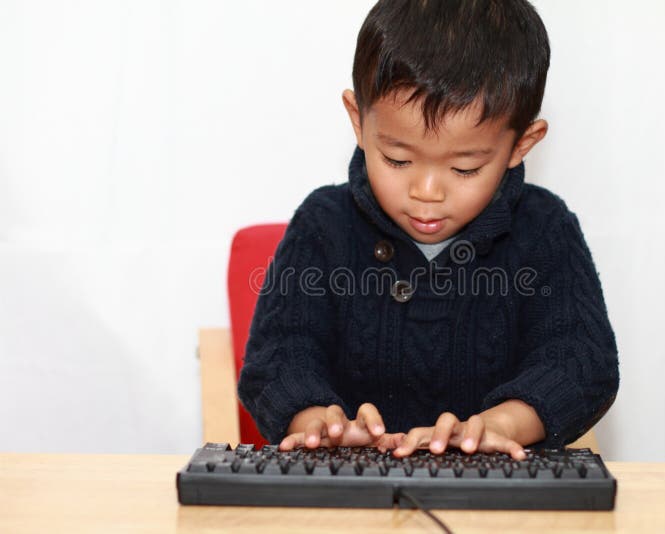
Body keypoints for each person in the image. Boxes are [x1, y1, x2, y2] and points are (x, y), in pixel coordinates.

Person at [238, 0, 619, 461]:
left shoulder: (544, 230)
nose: (426, 191)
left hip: (495, 497)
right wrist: (317, 421)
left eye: (465, 168)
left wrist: (501, 424)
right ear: (358, 121)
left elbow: (581, 361)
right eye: (397, 160)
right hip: (345, 493)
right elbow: (277, 356)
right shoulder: (323, 224)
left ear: (521, 144)